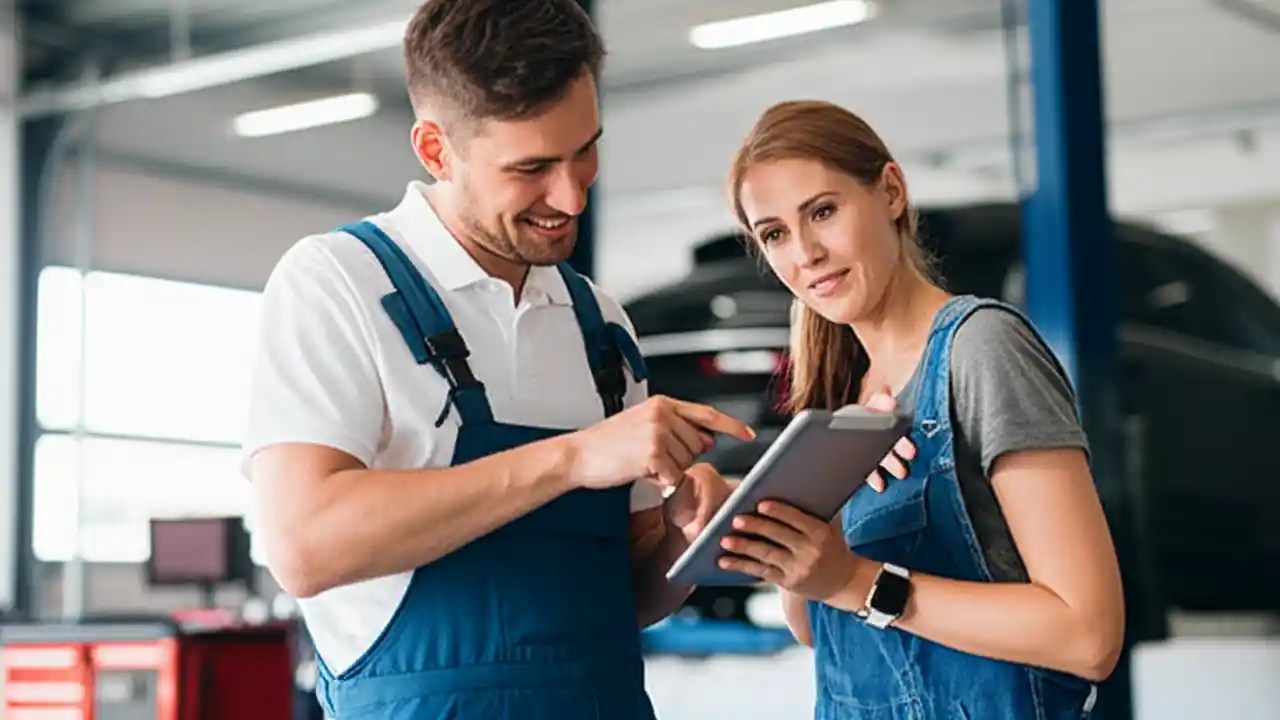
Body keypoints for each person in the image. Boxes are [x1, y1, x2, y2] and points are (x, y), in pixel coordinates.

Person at [240, 1, 761, 717]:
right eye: (532, 167)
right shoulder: (338, 282)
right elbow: (304, 544)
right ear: (434, 149)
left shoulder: (599, 324)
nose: (571, 194)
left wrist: (685, 537)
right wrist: (573, 459)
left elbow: (632, 598)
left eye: (585, 150)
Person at [716, 100, 1126, 720]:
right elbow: (814, 627)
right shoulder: (841, 396)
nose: (805, 254)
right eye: (774, 233)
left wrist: (856, 581)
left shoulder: (981, 349)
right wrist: (797, 541)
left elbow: (1088, 635)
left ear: (891, 191)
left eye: (822, 212)